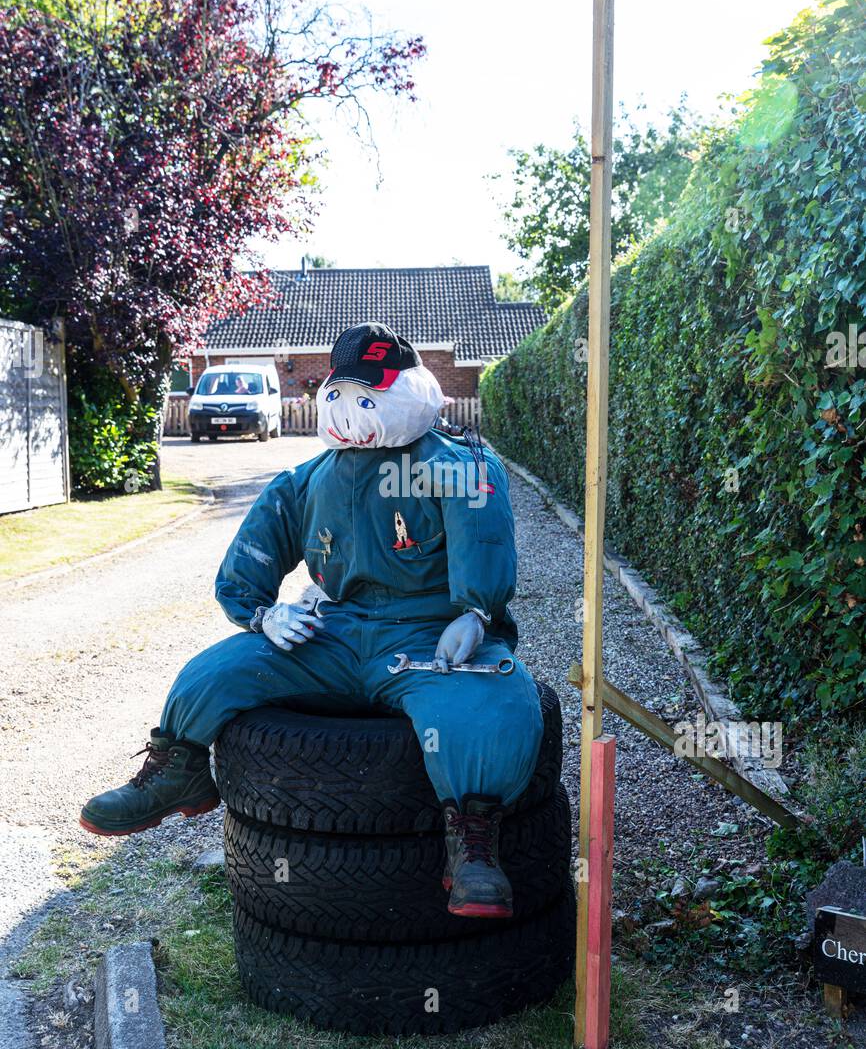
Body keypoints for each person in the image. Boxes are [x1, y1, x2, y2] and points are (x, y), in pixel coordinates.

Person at [81, 323, 543, 917]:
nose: (352, 412)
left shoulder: (459, 467)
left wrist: (476, 615)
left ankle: (474, 840)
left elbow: (485, 541)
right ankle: (181, 771)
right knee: (213, 673)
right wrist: (262, 616)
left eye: (369, 397)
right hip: (335, 631)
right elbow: (251, 559)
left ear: (411, 391)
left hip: (430, 638)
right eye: (341, 395)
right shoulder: (308, 480)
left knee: (493, 704)